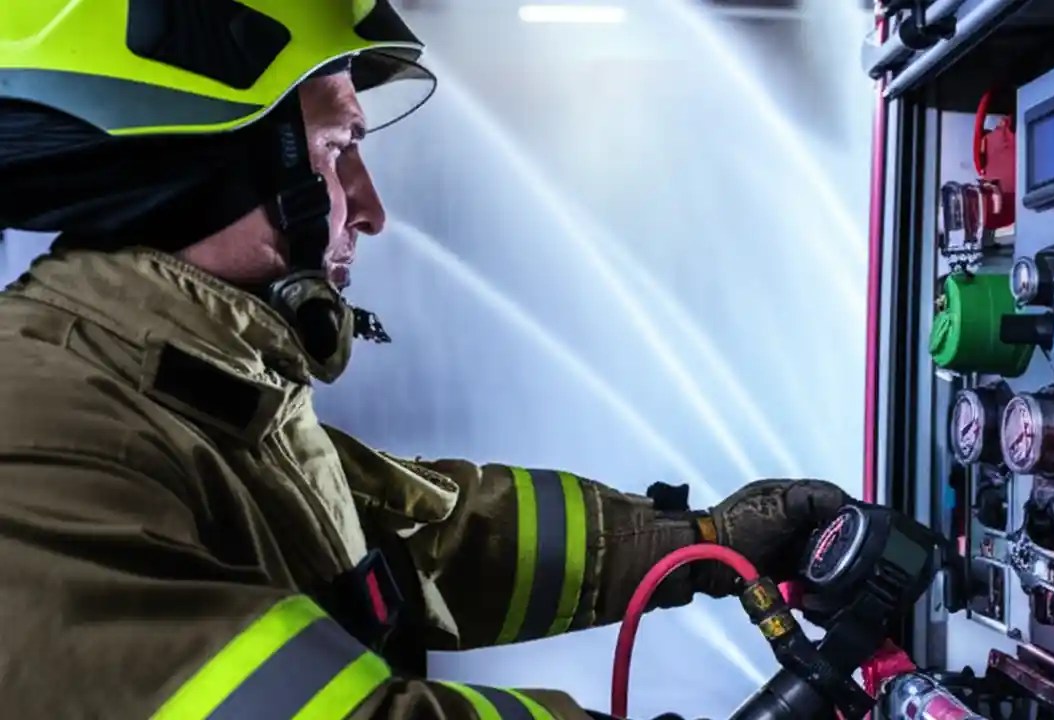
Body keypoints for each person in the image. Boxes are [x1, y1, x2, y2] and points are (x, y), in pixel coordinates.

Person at [0, 2, 858, 718]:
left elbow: (421, 545)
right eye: (340, 153)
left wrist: (706, 541)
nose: (369, 211)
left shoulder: (182, 388)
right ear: (199, 163)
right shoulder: (39, 446)